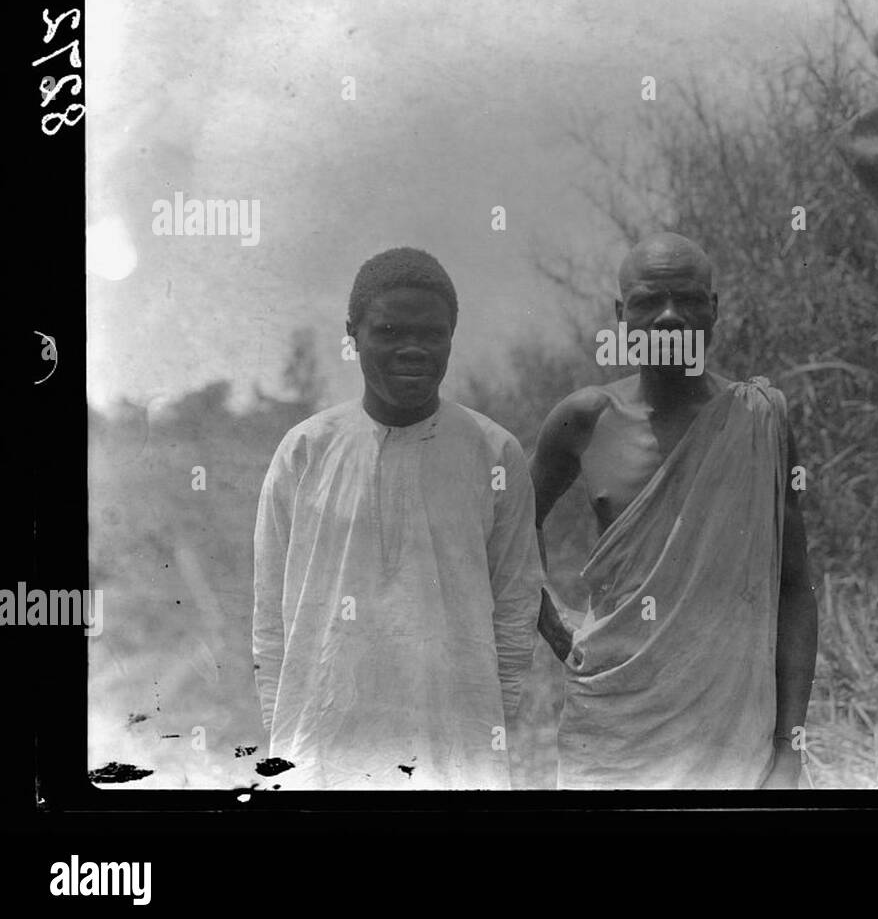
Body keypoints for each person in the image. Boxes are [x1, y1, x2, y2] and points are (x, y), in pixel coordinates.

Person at [531, 233, 818, 789]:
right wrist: (557, 626)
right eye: (647, 302)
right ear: (621, 314)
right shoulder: (585, 418)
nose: (668, 318)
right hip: (614, 722)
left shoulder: (760, 418)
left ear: (713, 311)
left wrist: (789, 752)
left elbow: (795, 589)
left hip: (732, 732)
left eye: (687, 300)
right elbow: (511, 522)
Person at [252, 247, 542, 789]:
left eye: (432, 334)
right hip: (323, 751)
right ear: (353, 334)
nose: (412, 349)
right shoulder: (305, 452)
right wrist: (287, 738)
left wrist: (484, 731)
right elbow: (272, 615)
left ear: (452, 336)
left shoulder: (494, 454)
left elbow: (515, 608)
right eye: (388, 331)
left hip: (453, 750)